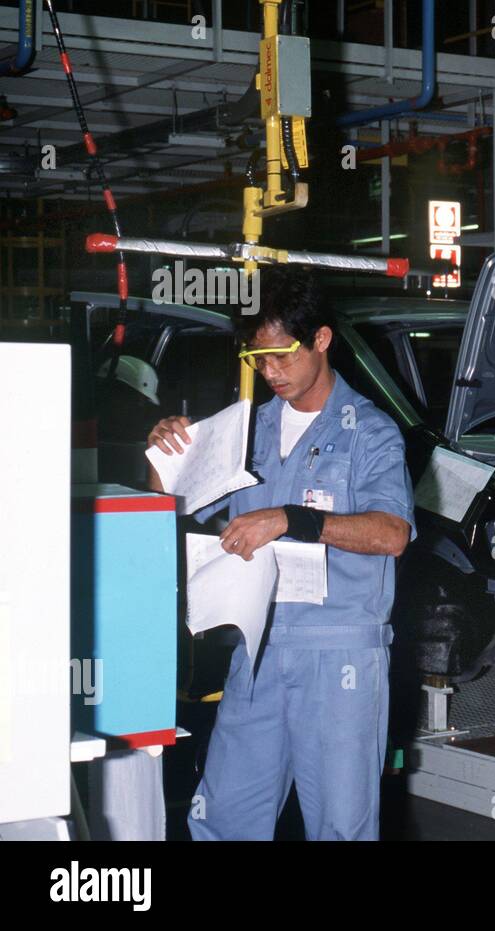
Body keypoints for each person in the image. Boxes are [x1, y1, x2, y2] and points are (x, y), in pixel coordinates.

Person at [145, 267, 415, 840]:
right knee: (222, 819)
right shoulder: (247, 431)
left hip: (339, 656)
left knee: (341, 828)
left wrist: (292, 519)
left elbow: (392, 533)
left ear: (321, 340)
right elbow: (169, 507)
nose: (270, 372)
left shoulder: (370, 433)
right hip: (259, 650)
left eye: (282, 356)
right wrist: (163, 454)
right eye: (257, 359)